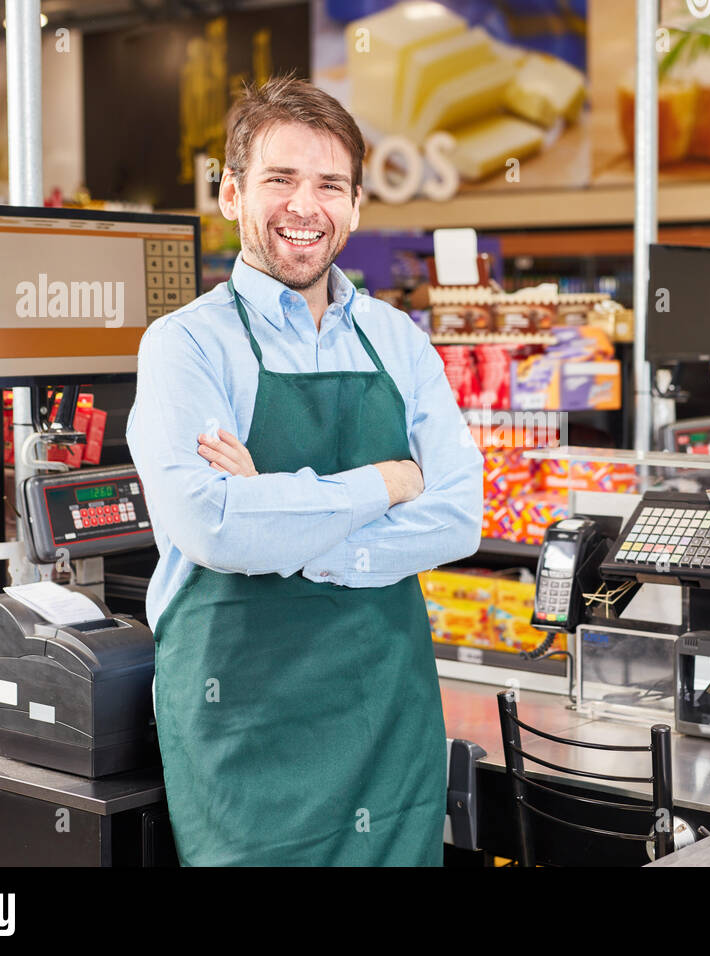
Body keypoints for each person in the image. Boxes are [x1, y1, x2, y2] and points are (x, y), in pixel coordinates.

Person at [126, 74, 483, 865]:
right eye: (279, 178)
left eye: (330, 184)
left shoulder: (399, 340)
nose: (304, 205)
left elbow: (459, 515)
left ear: (354, 207)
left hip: (387, 715)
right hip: (244, 729)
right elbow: (214, 527)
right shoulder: (185, 346)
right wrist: (386, 484)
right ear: (231, 194)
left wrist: (280, 521)